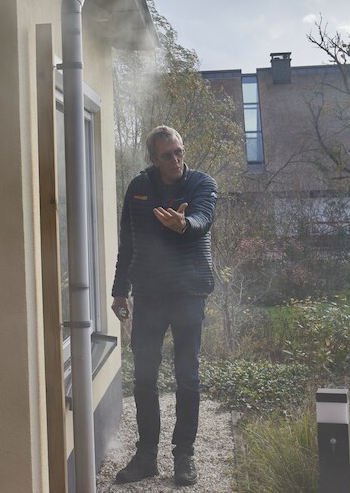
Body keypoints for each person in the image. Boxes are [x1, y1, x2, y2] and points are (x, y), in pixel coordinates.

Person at [111, 125, 218, 487]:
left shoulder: (202, 183)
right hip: (150, 294)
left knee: (187, 378)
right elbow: (128, 242)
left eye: (179, 152)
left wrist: (184, 224)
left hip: (188, 293)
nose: (176, 160)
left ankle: (184, 456)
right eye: (167, 155)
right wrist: (119, 289)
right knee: (144, 378)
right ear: (153, 159)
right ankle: (146, 457)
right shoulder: (138, 188)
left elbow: (203, 220)